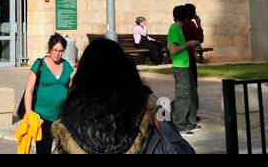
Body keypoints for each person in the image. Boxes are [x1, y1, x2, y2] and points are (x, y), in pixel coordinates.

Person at [50, 37, 192, 153]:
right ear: (125, 70)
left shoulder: (68, 119)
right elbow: (178, 146)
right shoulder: (149, 107)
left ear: (83, 74)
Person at [21, 33, 73, 154]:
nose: (57, 53)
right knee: (44, 151)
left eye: (61, 51)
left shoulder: (66, 66)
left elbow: (71, 88)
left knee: (64, 151)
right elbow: (28, 91)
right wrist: (29, 114)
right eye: (55, 50)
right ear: (50, 49)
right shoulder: (39, 64)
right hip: (42, 117)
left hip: (61, 118)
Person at [167, 5, 198, 134]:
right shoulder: (174, 29)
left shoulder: (178, 28)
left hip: (185, 66)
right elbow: (173, 49)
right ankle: (180, 125)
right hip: (180, 67)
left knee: (191, 94)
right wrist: (188, 44)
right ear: (185, 17)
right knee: (183, 96)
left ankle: (190, 123)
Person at [181, 3, 205, 121]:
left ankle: (185, 113)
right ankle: (191, 115)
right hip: (189, 57)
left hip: (180, 59)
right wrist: (199, 24)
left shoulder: (179, 25)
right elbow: (200, 39)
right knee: (192, 86)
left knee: (184, 86)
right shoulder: (190, 24)